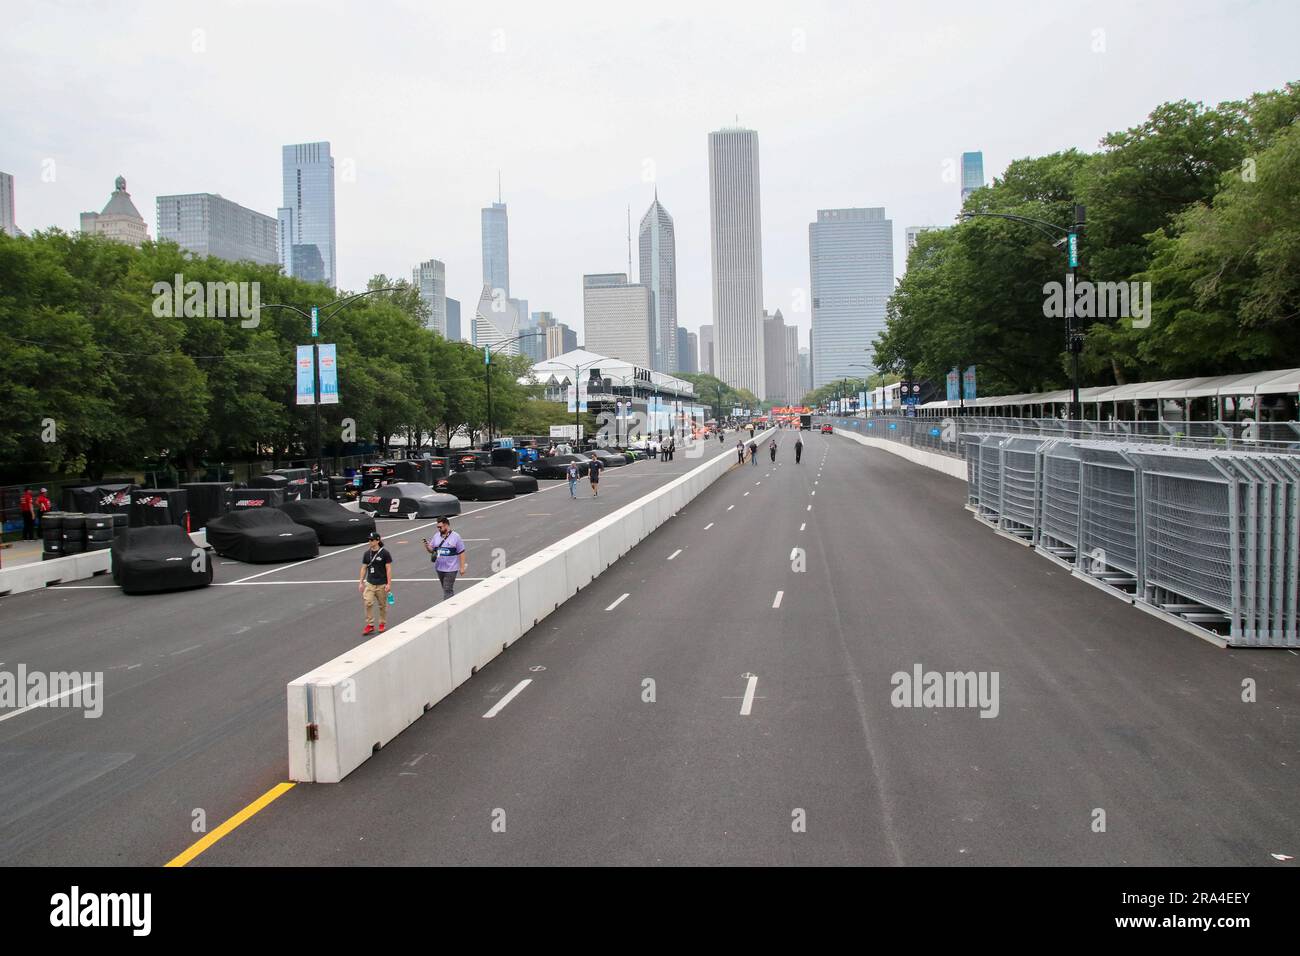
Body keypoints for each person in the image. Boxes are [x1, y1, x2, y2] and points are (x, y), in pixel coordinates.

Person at [358, 531, 393, 636]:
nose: (370, 542)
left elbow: (388, 569)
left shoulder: (385, 553)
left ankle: (382, 623)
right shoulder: (366, 554)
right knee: (367, 602)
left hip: (382, 583)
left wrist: (389, 584)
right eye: (369, 540)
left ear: (378, 540)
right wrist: (361, 582)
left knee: (382, 605)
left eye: (372, 540)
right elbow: (364, 568)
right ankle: (370, 624)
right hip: (370, 583)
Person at [424, 516, 466, 602]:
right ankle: (452, 603)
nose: (439, 529)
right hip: (439, 568)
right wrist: (427, 546)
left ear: (446, 525)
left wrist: (461, 568)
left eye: (440, 527)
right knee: (446, 589)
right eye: (437, 527)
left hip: (451, 568)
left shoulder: (456, 537)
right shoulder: (436, 536)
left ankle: (448, 607)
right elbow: (432, 550)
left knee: (447, 589)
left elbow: (461, 552)